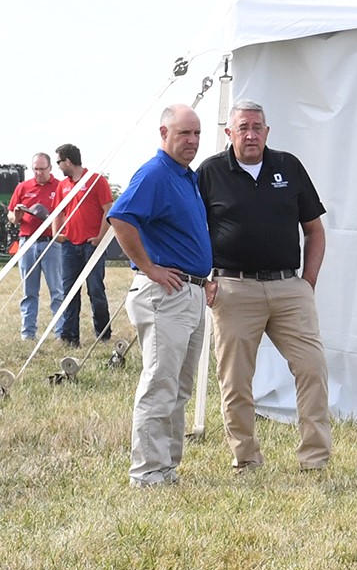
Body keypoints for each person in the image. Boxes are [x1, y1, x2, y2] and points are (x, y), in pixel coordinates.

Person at [195, 100, 332, 471]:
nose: (251, 134)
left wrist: (309, 282)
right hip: (234, 290)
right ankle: (247, 459)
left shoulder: (288, 166)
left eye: (257, 127)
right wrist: (206, 278)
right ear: (229, 132)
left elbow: (315, 230)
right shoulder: (209, 172)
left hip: (289, 288)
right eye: (243, 128)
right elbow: (192, 229)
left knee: (312, 369)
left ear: (267, 131)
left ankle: (315, 459)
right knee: (236, 380)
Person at [106, 105, 213, 488]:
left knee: (180, 385)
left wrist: (204, 277)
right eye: (185, 133)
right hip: (165, 293)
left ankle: (165, 467)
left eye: (198, 134)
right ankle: (147, 471)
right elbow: (121, 217)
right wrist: (149, 267)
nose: (193, 141)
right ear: (164, 133)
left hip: (192, 291)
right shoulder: (154, 174)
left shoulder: (187, 178)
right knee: (160, 382)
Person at [52, 144, 114, 344]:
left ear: (67, 161)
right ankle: (69, 336)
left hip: (91, 246)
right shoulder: (63, 186)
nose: (58, 166)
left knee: (95, 290)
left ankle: (103, 334)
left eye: (59, 162)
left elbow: (108, 210)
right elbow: (58, 212)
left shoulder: (96, 180)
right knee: (69, 291)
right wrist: (56, 234)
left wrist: (99, 237)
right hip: (69, 246)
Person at [9, 154, 67, 342]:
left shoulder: (60, 186)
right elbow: (11, 215)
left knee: (57, 290)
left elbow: (67, 213)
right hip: (27, 242)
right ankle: (28, 333)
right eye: (35, 169)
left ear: (50, 168)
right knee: (29, 291)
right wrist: (16, 214)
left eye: (42, 169)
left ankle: (60, 332)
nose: (39, 173)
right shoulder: (23, 187)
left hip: (51, 242)